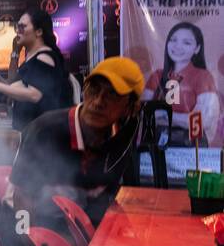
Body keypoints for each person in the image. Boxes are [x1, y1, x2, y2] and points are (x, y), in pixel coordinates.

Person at [8, 56, 144, 232]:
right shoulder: (45, 130)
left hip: (89, 231)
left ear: (131, 108)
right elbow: (21, 199)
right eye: (93, 89)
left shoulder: (126, 130)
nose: (97, 102)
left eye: (112, 95)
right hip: (41, 231)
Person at [0, 8, 69, 131]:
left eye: (22, 27)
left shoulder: (44, 57)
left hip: (42, 133)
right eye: (17, 27)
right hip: (31, 131)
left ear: (38, 32)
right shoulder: (33, 57)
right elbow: (20, 89)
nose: (18, 31)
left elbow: (34, 95)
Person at [141, 21, 220, 146]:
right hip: (157, 146)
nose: (177, 46)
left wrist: (164, 116)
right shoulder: (157, 75)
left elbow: (203, 119)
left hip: (190, 146)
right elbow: (142, 112)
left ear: (197, 48)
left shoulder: (203, 76)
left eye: (187, 42)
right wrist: (178, 118)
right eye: (173, 40)